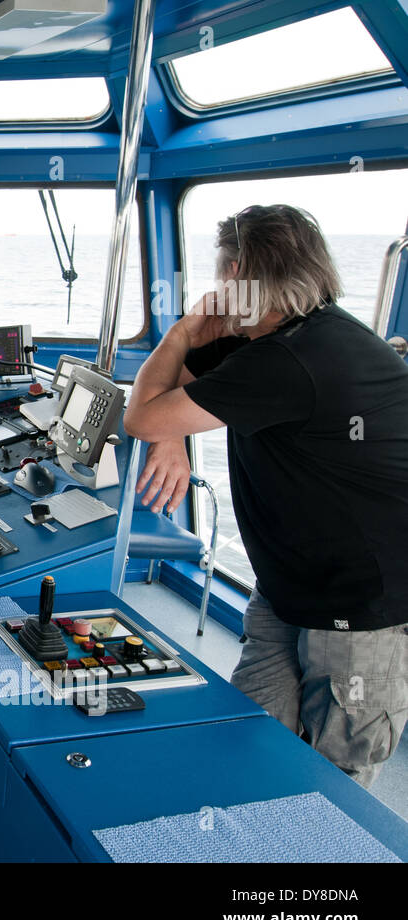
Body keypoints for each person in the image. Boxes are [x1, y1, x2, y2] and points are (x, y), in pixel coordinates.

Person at [124, 204, 408, 787]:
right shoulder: (267, 335)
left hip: (361, 601)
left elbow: (143, 415)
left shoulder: (289, 360)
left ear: (239, 278)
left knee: (337, 765)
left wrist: (180, 334)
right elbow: (166, 398)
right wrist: (173, 431)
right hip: (288, 582)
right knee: (250, 730)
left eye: (222, 272)